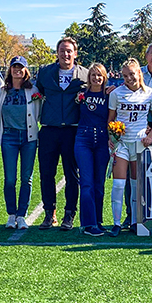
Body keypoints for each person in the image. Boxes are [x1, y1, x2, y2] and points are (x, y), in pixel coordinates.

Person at [35, 37, 89, 230]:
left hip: (73, 130)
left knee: (71, 174)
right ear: (57, 52)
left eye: (69, 51)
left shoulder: (85, 74)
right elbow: (37, 92)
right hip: (49, 129)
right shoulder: (45, 73)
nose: (66, 54)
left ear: (75, 53)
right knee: (46, 173)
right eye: (62, 51)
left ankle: (69, 213)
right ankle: (49, 213)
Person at [108, 58, 152, 236]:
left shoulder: (150, 93)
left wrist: (150, 136)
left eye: (131, 74)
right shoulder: (116, 93)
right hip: (122, 144)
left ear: (139, 72)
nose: (129, 78)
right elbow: (110, 119)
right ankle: (116, 223)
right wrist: (111, 136)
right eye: (125, 75)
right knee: (118, 184)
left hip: (139, 144)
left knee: (137, 185)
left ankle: (134, 221)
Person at [0, 56, 41, 230]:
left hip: (28, 137)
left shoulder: (33, 90)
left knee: (26, 178)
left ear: (25, 70)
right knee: (10, 179)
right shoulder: (2, 90)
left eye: (21, 67)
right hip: (8, 136)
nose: (17, 70)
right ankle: (11, 214)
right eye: (14, 67)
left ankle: (22, 215)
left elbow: (38, 112)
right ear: (10, 70)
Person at [75, 63, 111, 236]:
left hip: (103, 139)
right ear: (88, 77)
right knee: (87, 182)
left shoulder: (110, 95)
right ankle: (88, 224)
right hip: (84, 138)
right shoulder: (82, 94)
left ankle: (98, 220)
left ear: (104, 77)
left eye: (100, 75)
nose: (96, 78)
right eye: (93, 75)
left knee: (99, 184)